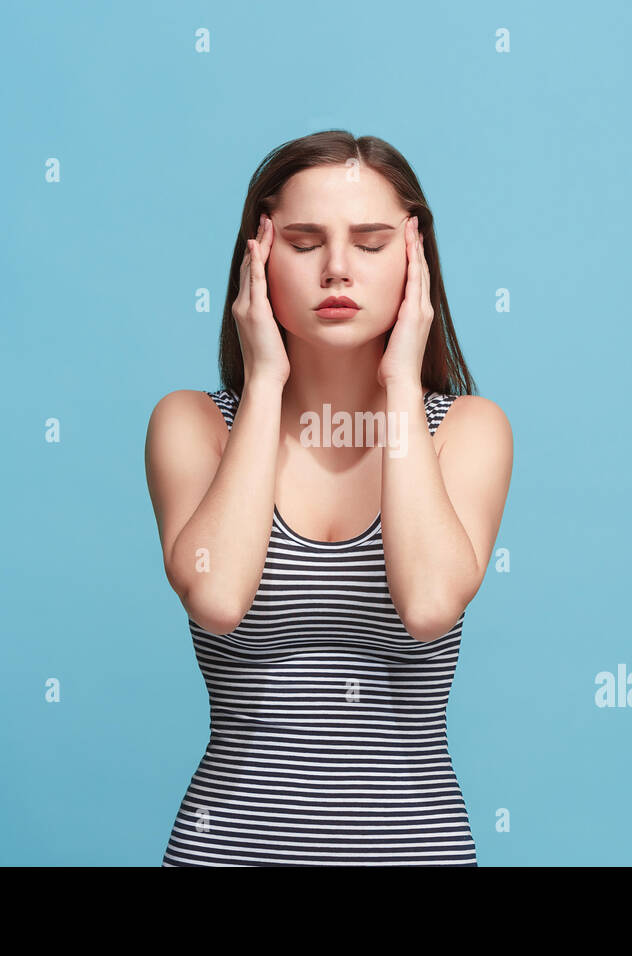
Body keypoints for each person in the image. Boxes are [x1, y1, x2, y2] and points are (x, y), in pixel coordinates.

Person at [144, 130, 513, 865]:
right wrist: (268, 382)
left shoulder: (466, 431)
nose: (337, 269)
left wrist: (402, 383)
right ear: (258, 256)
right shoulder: (192, 424)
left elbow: (431, 603)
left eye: (372, 243)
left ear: (416, 261)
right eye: (305, 241)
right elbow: (216, 597)